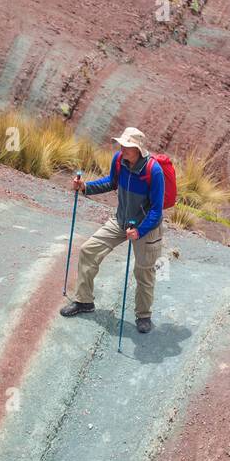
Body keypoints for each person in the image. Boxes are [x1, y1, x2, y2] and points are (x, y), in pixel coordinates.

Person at [60, 127, 163, 333]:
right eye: (122, 145)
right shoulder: (119, 160)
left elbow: (156, 209)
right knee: (89, 250)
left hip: (146, 228)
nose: (123, 148)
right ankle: (84, 301)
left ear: (139, 149)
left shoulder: (154, 171)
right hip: (121, 220)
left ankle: (143, 316)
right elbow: (111, 182)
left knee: (143, 272)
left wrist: (139, 232)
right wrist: (86, 187)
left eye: (128, 146)